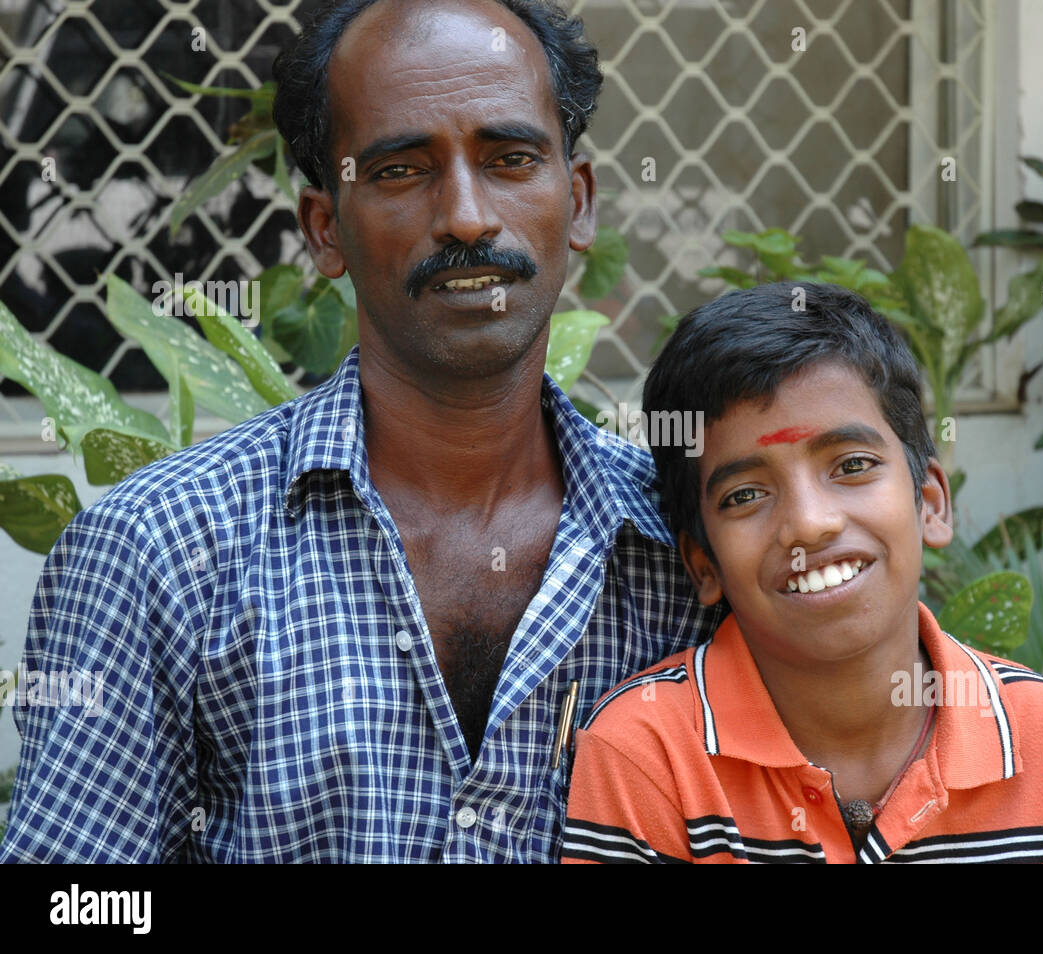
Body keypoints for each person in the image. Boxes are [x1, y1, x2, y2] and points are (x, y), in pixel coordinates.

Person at [0, 0, 722, 863]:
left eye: (510, 159)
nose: (465, 216)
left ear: (577, 203)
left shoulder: (696, 548)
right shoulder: (158, 551)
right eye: (400, 171)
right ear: (323, 230)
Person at [560, 282, 1043, 864]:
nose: (809, 524)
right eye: (745, 494)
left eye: (851, 465)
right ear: (703, 564)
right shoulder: (648, 753)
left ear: (929, 502)